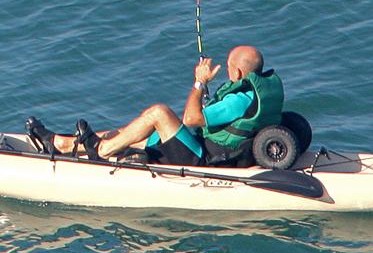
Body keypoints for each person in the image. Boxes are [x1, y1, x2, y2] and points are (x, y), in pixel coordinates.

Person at [26, 45, 283, 167]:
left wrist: (199, 82)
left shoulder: (237, 100)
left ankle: (100, 152)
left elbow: (192, 118)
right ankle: (62, 144)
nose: (225, 70)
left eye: (228, 66)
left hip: (203, 157)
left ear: (237, 71)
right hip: (210, 145)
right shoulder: (257, 92)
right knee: (134, 133)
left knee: (158, 113)